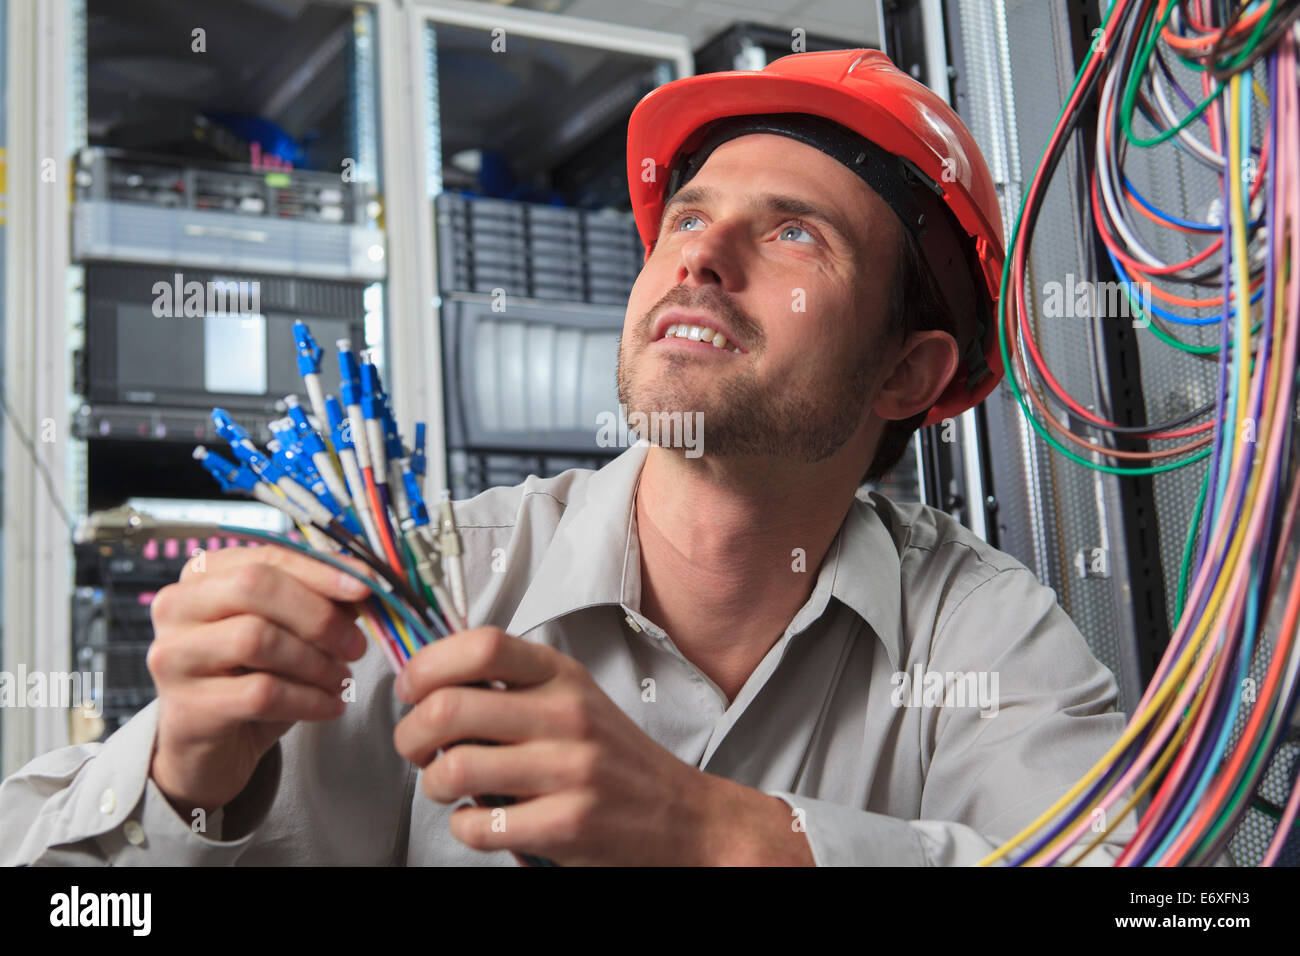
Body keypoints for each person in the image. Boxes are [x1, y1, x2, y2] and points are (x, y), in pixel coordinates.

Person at [0, 49, 1132, 866]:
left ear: (908, 375)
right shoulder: (430, 581)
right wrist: (189, 783)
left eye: (794, 231)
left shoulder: (982, 631)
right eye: (686, 217)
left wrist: (720, 836)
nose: (700, 257)